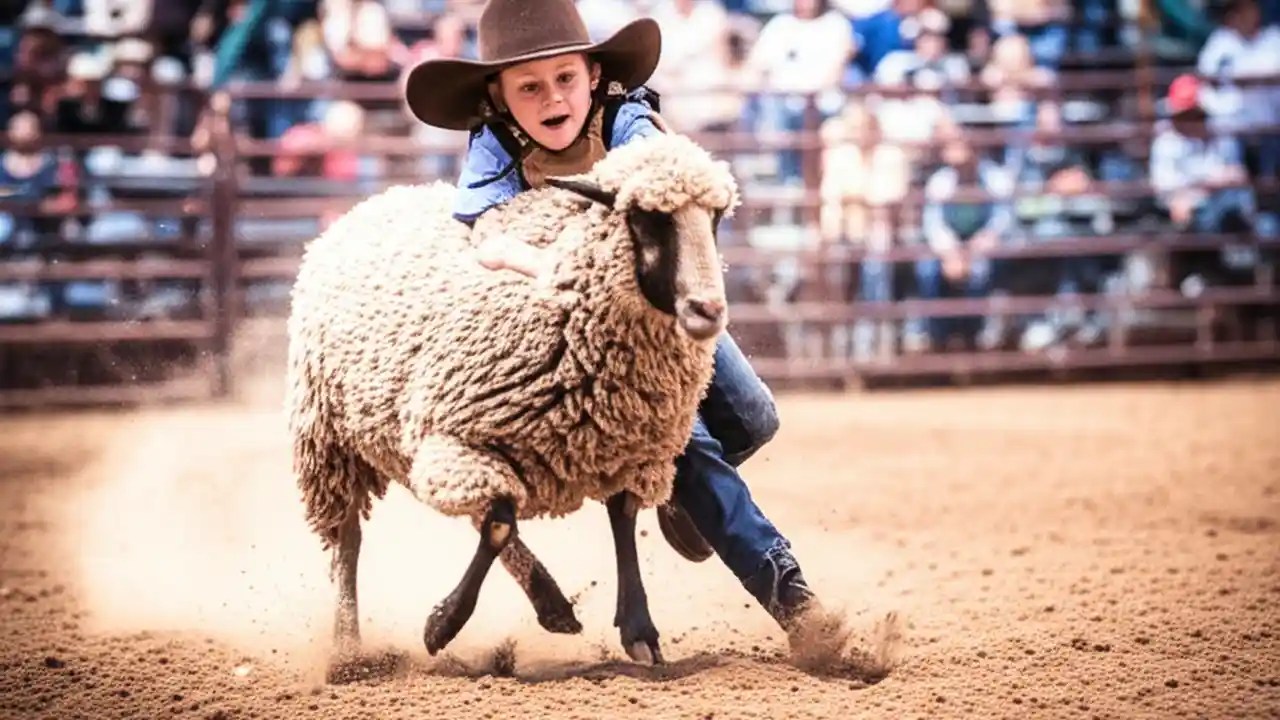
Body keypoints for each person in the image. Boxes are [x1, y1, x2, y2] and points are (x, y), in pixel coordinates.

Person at [403, 0, 826, 638]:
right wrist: (541, 264)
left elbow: (664, 173)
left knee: (753, 417)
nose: (553, 98)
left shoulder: (627, 119)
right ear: (498, 95)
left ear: (594, 76)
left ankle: (686, 503)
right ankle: (791, 597)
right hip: (587, 327)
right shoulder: (494, 145)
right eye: (529, 87)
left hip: (660, 297)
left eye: (565, 78)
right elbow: (487, 236)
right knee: (687, 445)